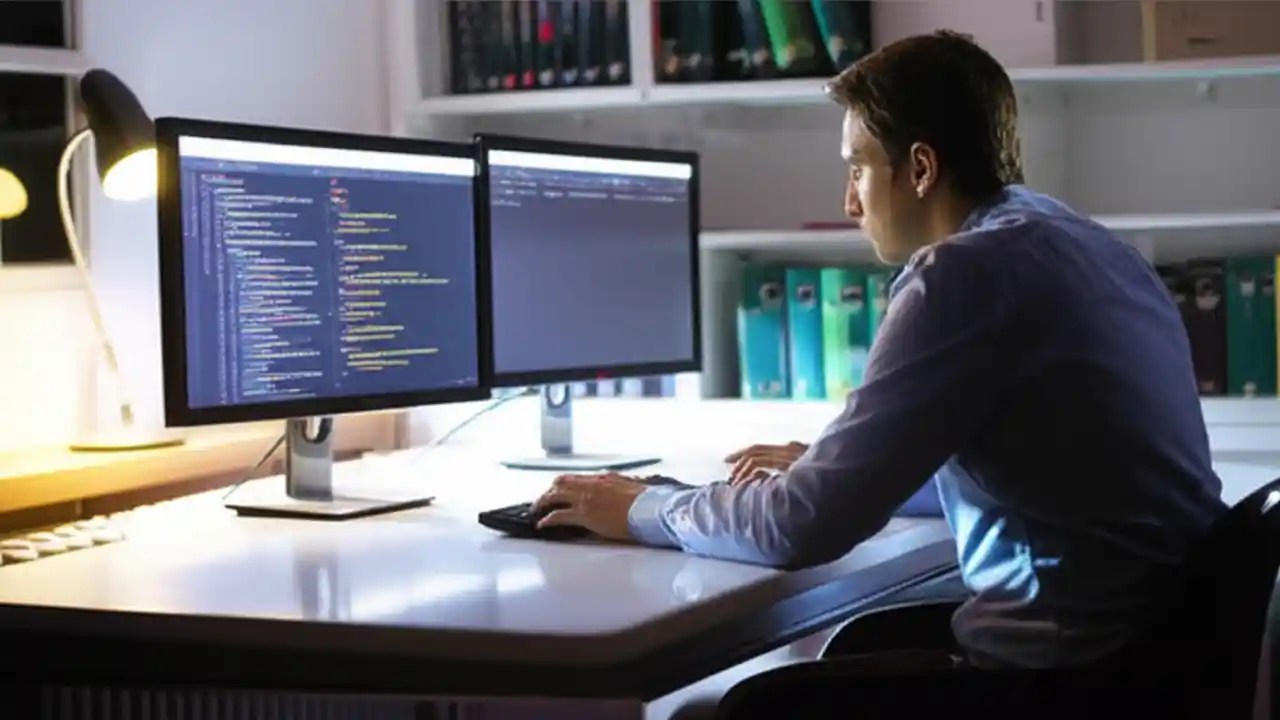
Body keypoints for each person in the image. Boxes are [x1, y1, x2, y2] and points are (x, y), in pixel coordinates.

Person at [532, 30, 1227, 671]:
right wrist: (846, 467)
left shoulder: (959, 276)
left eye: (859, 169)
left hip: (1064, 674)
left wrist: (642, 508)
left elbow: (798, 529)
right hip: (1163, 653)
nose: (850, 202)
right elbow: (1045, 468)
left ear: (920, 168)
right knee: (853, 646)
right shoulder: (1084, 243)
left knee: (752, 704)